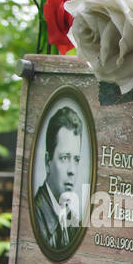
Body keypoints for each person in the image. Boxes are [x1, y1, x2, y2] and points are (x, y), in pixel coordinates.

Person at [32, 107, 84, 251]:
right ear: (48, 162)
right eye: (65, 158)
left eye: (76, 159)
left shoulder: (74, 223)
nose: (72, 170)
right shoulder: (36, 218)